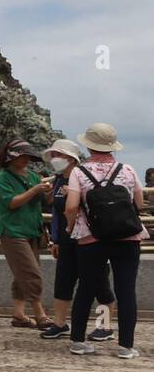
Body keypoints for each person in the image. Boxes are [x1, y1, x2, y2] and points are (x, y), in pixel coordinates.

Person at [65, 123, 148, 358]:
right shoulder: (128, 170)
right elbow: (139, 204)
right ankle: (126, 347)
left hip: (91, 237)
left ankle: (78, 342)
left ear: (88, 145)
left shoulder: (79, 172)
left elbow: (71, 206)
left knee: (86, 289)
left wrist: (71, 226)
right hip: (127, 236)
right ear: (112, 146)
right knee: (126, 289)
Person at [40, 139, 116, 341]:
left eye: (60, 155)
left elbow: (98, 205)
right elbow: (57, 214)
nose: (56, 159)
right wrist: (55, 240)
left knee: (99, 282)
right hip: (66, 239)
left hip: (89, 238)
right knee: (63, 280)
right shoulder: (58, 180)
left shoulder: (84, 176)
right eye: (53, 155)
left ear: (72, 159)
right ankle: (59, 323)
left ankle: (105, 326)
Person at [0, 139, 52, 329]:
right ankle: (40, 314)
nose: (27, 159)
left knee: (22, 274)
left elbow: (44, 202)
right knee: (31, 273)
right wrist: (35, 190)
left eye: (29, 156)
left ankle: (18, 315)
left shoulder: (33, 176)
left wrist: (54, 190)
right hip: (12, 231)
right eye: (23, 156)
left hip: (32, 230)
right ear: (12, 157)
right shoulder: (2, 177)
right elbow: (11, 202)